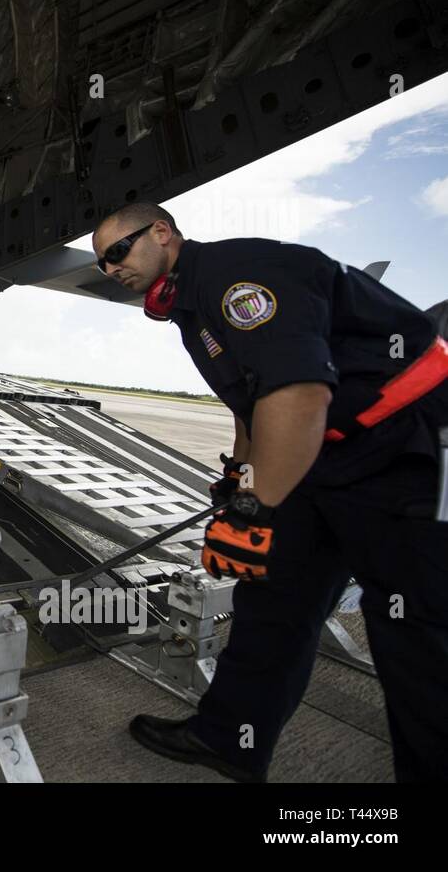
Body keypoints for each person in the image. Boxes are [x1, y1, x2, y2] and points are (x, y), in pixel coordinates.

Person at [91, 203, 448, 782]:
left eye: (117, 252)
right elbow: (252, 404)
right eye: (103, 264)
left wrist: (255, 510)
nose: (111, 270)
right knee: (274, 593)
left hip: (406, 447)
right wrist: (241, 479)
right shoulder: (189, 303)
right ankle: (230, 738)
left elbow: (297, 395)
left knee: (416, 628)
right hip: (323, 453)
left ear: (162, 232)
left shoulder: (236, 277)